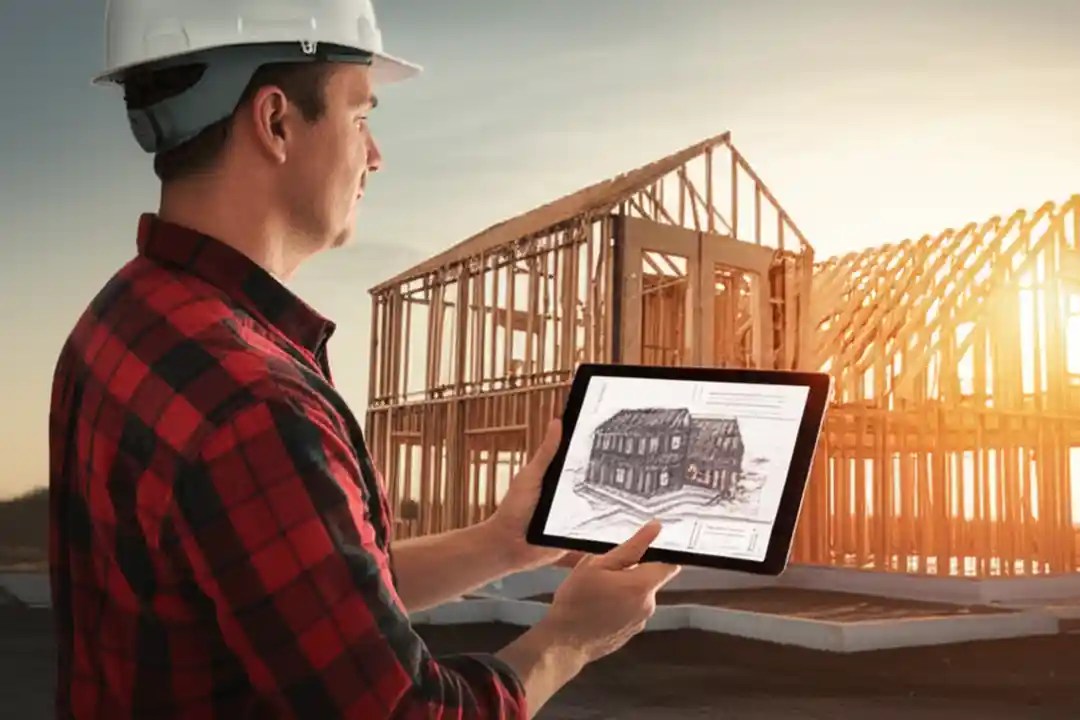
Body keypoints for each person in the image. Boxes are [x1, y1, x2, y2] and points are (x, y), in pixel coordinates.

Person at [47, 1, 681, 717]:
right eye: (360, 117)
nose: (375, 155)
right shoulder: (256, 406)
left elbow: (303, 596)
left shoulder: (118, 320)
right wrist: (569, 639)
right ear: (277, 122)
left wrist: (502, 544)